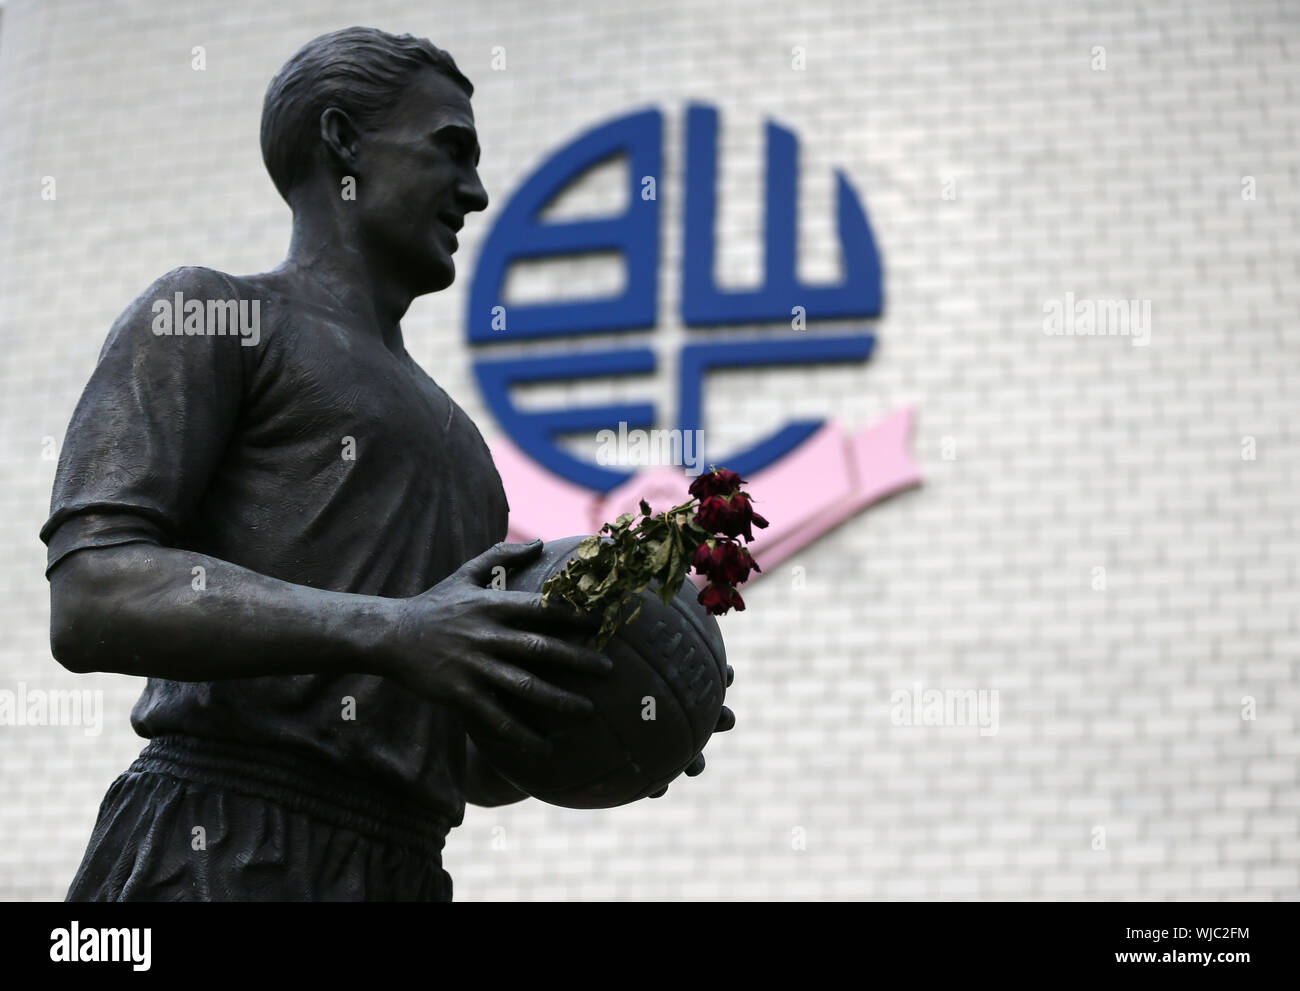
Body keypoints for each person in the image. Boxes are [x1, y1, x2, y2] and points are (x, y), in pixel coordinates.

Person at [41, 26, 732, 902]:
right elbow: (92, 593)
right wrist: (393, 629)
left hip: (398, 871)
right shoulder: (212, 316)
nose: (476, 193)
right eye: (452, 150)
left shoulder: (467, 453)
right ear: (343, 141)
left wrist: (621, 718)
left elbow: (451, 749)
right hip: (216, 839)